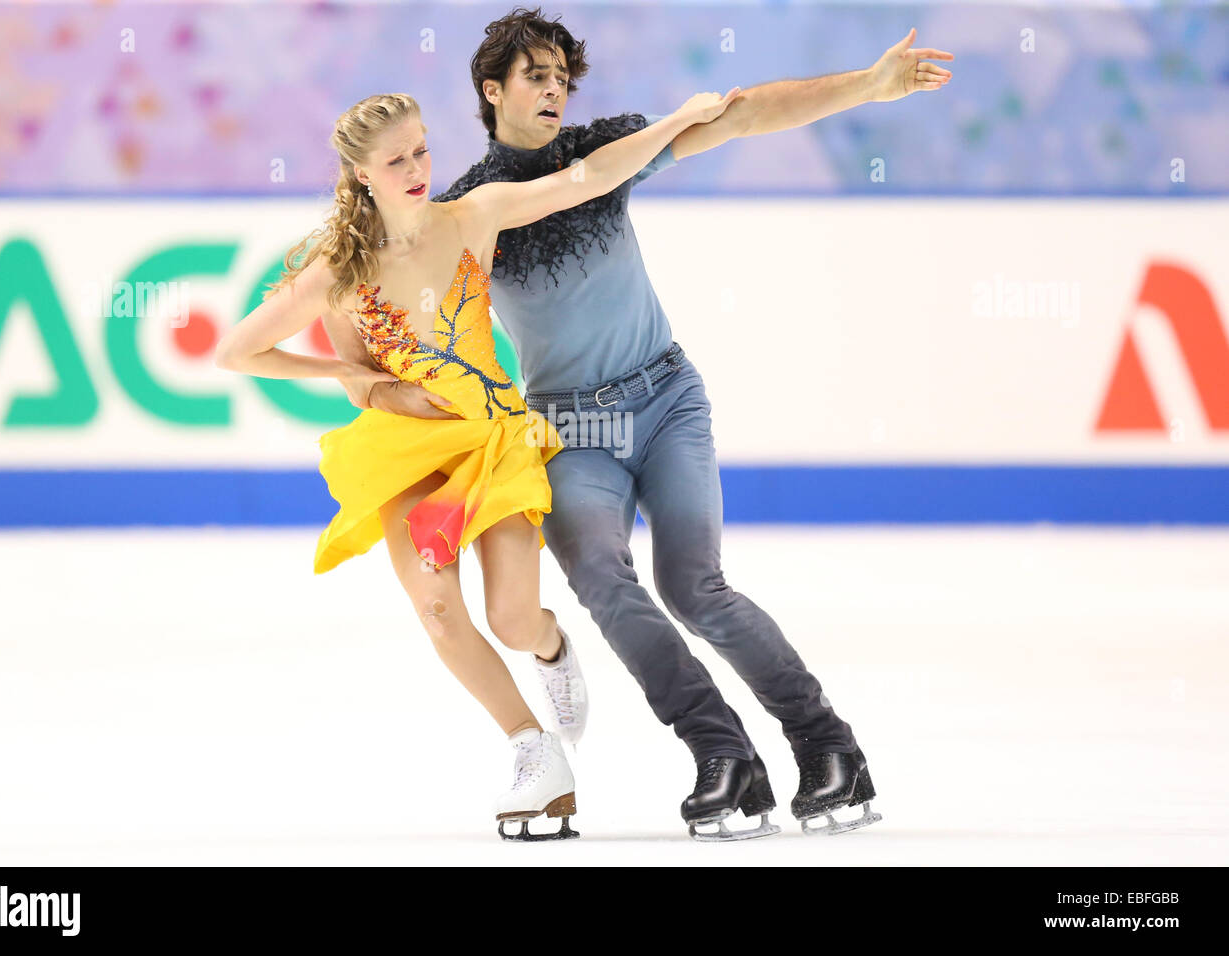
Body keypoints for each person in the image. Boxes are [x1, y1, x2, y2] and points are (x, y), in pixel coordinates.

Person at [383, 7, 948, 841]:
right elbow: (390, 287)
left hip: (666, 399)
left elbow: (744, 111)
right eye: (532, 75)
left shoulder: (604, 150)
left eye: (559, 76)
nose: (551, 90)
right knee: (604, 582)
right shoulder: (468, 211)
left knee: (695, 586)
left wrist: (868, 84)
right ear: (490, 89)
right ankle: (723, 755)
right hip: (571, 430)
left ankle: (827, 746)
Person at [214, 88, 739, 840]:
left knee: (511, 617)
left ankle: (552, 645)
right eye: (396, 160)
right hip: (407, 453)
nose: (418, 167)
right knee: (436, 608)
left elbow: (582, 180)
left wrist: (676, 124)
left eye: (422, 148)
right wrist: (356, 379)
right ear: (361, 174)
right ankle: (534, 752)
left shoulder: (472, 216)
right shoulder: (337, 267)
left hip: (493, 442)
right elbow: (238, 351)